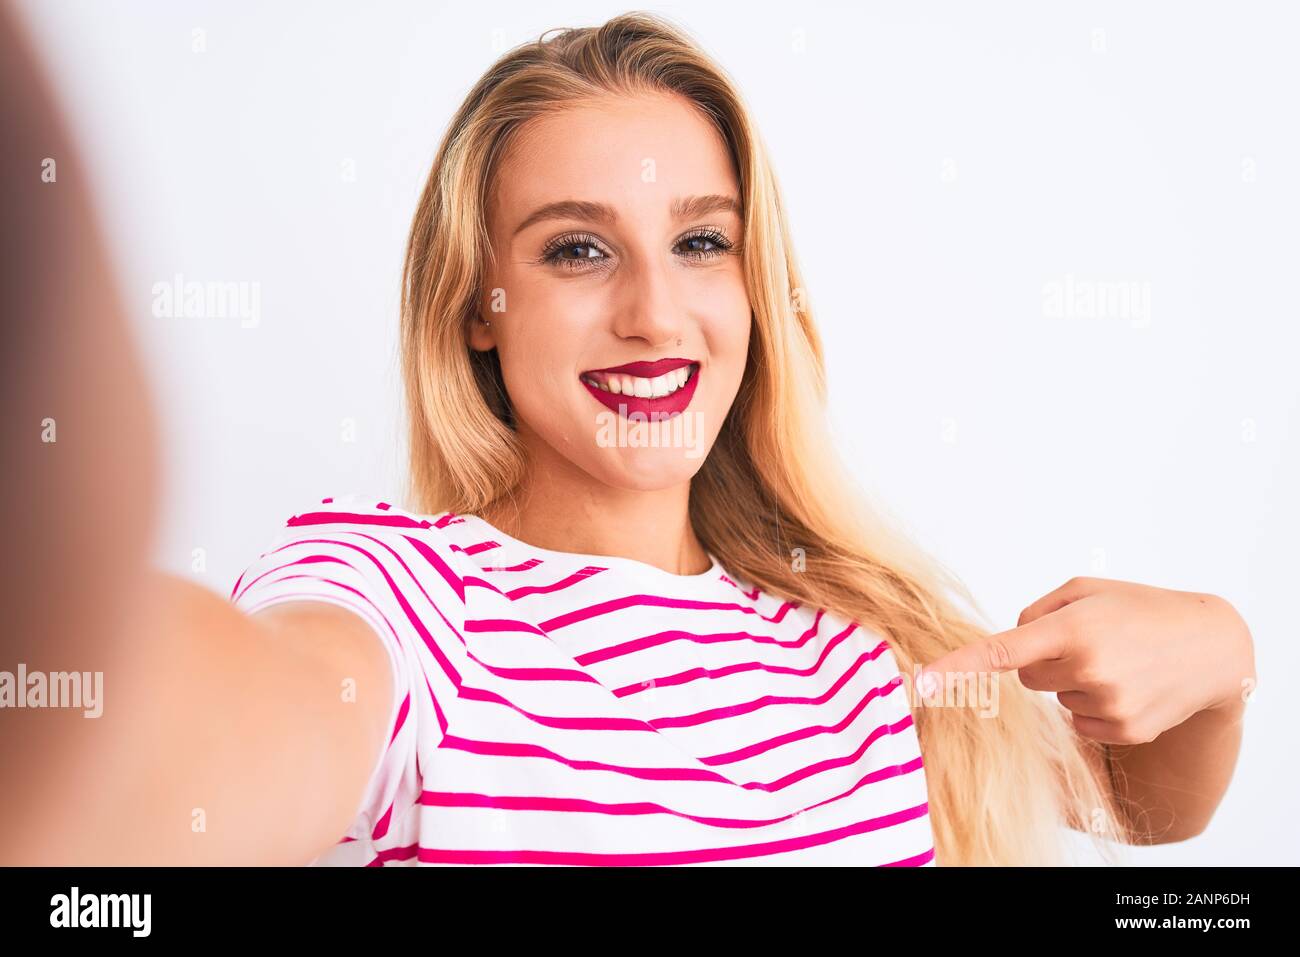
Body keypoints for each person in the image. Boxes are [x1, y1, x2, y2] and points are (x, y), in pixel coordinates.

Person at [4, 10, 1253, 867]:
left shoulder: (864, 648)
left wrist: (1220, 654)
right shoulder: (400, 602)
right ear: (477, 307)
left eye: (701, 242)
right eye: (577, 249)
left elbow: (1140, 812)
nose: (655, 314)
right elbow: (192, 739)